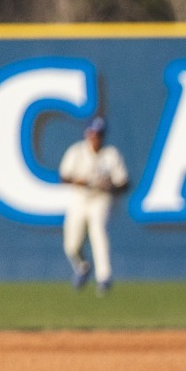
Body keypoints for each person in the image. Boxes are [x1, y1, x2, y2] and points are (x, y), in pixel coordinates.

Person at [59, 115, 128, 294]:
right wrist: (81, 182)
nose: (96, 137)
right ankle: (82, 266)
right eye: (93, 133)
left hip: (101, 199)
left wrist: (110, 187)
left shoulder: (110, 154)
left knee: (99, 232)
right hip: (80, 198)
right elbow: (64, 176)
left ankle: (104, 278)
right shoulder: (77, 152)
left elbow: (124, 183)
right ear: (87, 133)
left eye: (99, 134)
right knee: (71, 244)